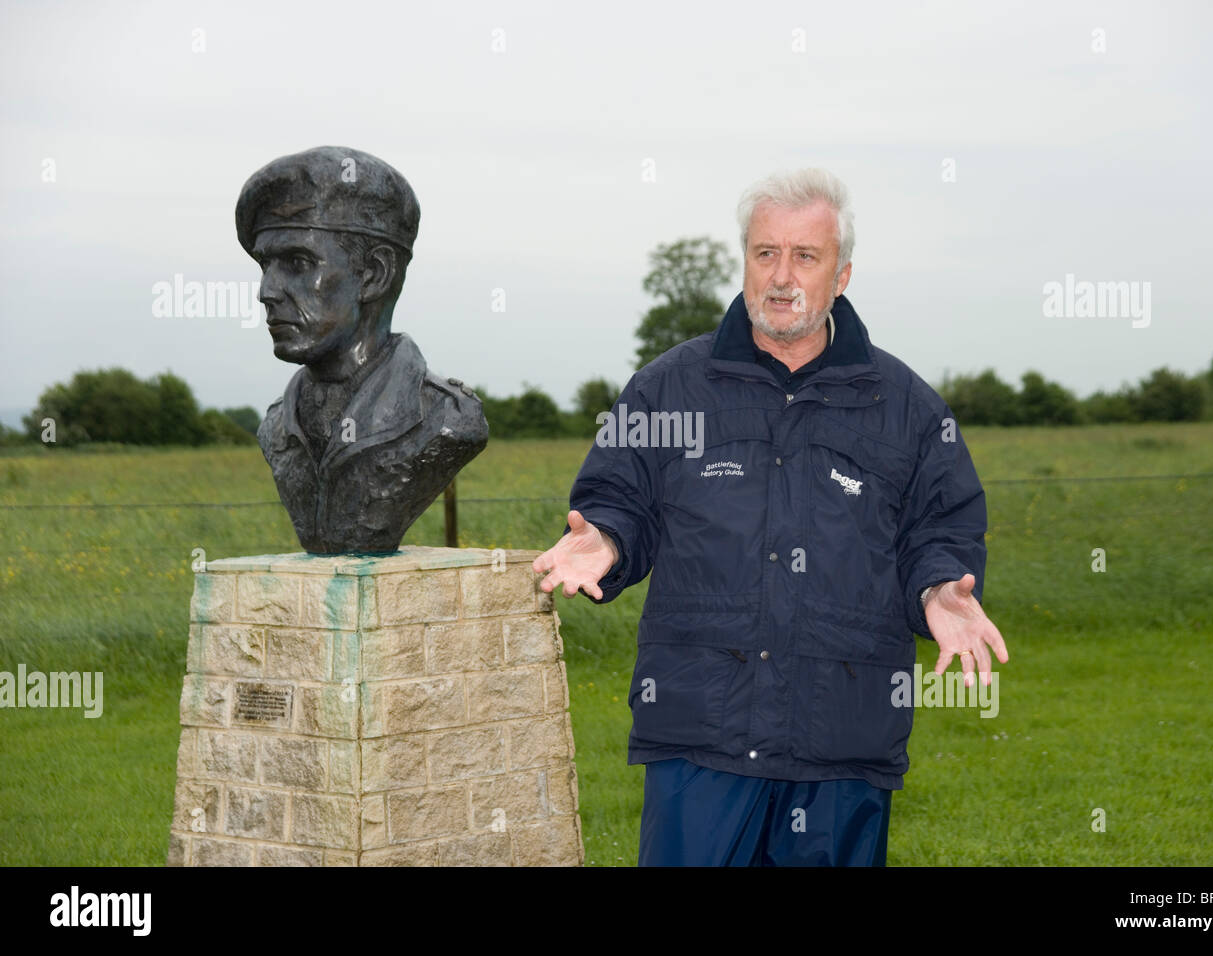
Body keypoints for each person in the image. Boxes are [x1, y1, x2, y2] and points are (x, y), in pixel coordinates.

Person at [533, 168, 1008, 866]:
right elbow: (619, 497)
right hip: (702, 735)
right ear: (746, 261)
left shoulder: (907, 408)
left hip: (841, 739)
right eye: (765, 254)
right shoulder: (668, 389)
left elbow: (942, 529)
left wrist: (939, 587)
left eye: (804, 257)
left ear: (841, 275)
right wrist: (605, 536)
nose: (781, 276)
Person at [236, 146, 487, 554]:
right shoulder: (277, 425)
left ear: (374, 274)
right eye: (266, 266)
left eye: (298, 264)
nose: (267, 292)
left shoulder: (449, 419)